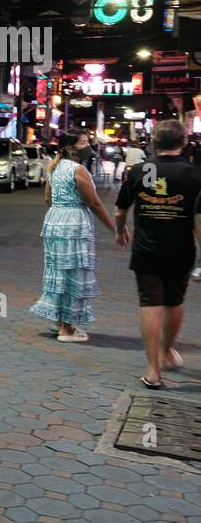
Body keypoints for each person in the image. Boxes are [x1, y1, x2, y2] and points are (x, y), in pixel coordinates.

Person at [114, 120, 201, 389]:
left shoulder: (138, 170)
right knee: (174, 301)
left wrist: (120, 231)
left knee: (150, 303)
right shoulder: (195, 174)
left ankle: (153, 371)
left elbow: (120, 210)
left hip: (146, 249)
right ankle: (166, 351)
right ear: (183, 143)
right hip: (181, 249)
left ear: (154, 142)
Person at [29, 131, 119, 343]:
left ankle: (59, 321)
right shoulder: (78, 170)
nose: (88, 146)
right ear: (70, 147)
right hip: (74, 223)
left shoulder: (54, 166)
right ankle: (67, 330)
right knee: (75, 274)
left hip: (54, 221)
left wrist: (61, 210)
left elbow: (47, 198)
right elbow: (94, 203)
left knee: (58, 272)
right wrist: (114, 228)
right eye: (83, 142)